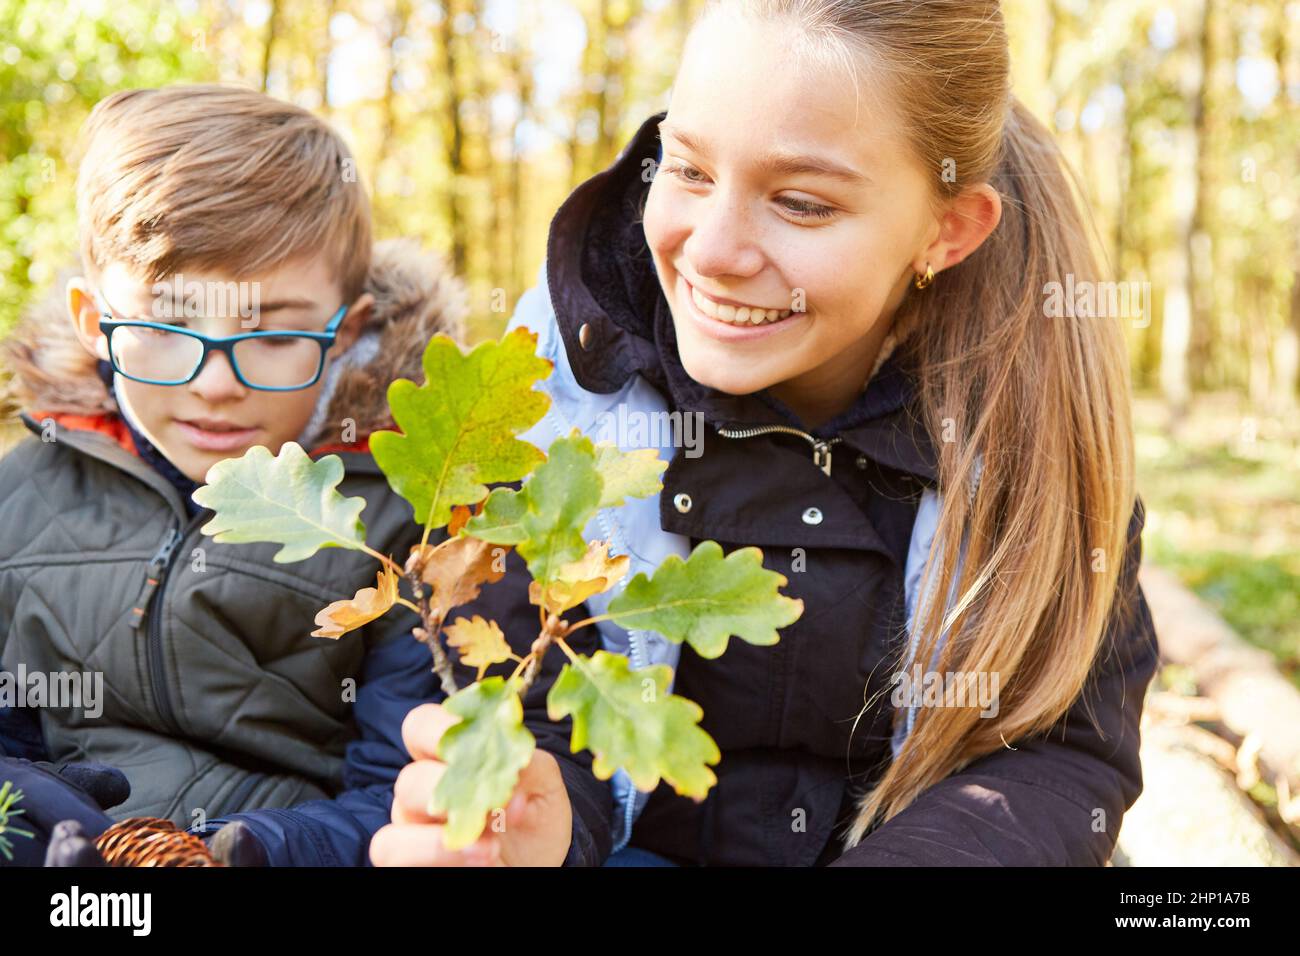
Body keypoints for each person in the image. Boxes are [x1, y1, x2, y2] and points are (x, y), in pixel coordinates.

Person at [373, 0, 1159, 867]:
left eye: (800, 203)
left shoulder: (1032, 426)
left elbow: (1056, 752)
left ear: (947, 231)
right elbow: (531, 679)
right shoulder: (548, 393)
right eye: (690, 170)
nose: (712, 251)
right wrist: (544, 822)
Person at [0, 85, 475, 865]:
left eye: (275, 332)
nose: (217, 382)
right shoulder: (25, 493)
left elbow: (407, 790)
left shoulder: (403, 526)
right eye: (167, 322)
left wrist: (261, 851)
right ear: (95, 321)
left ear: (343, 330)